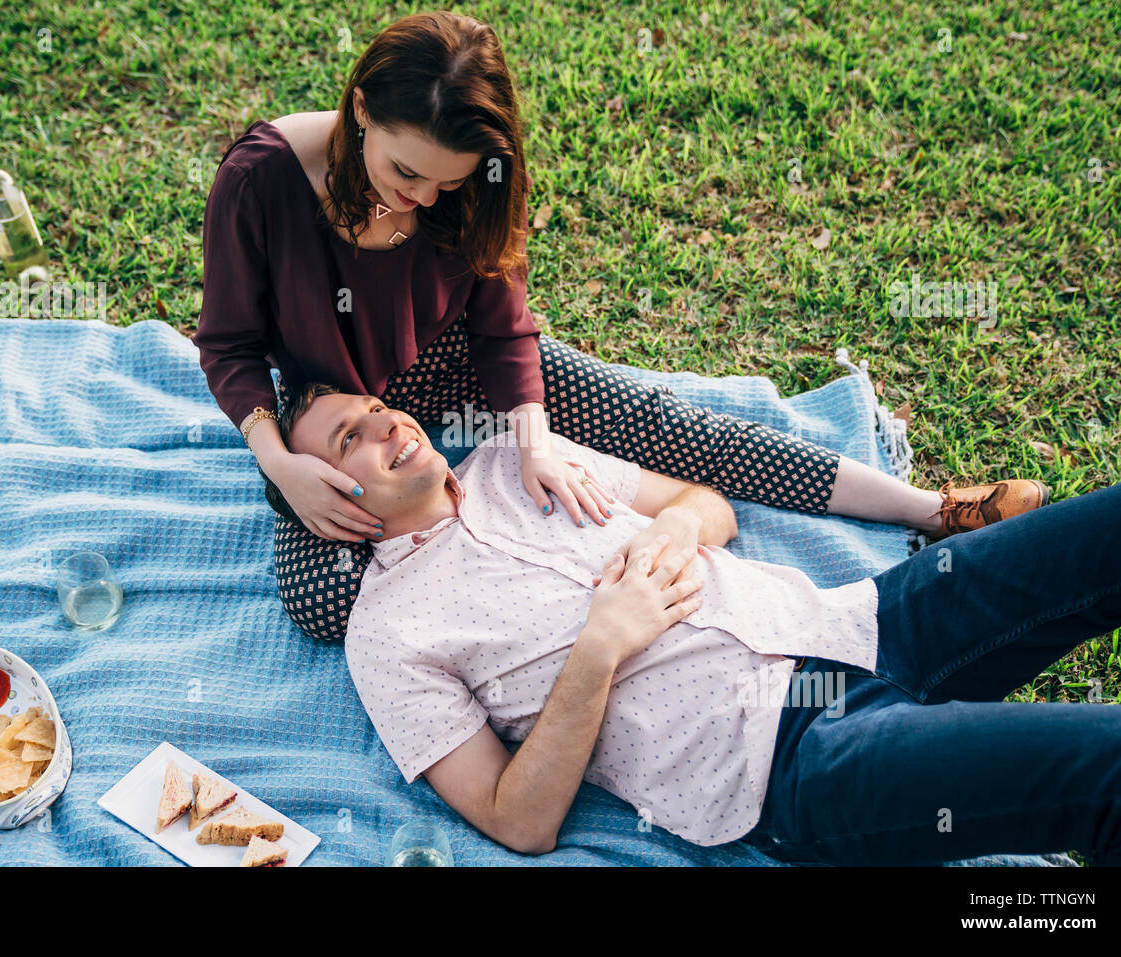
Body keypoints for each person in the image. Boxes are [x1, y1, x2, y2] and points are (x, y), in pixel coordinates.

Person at [192, 10, 1047, 644]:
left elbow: (503, 323)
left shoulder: (476, 181)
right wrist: (284, 463)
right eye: (406, 172)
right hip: (330, 409)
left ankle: (934, 508)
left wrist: (530, 436)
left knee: (663, 424)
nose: (421, 200)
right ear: (361, 110)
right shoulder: (263, 181)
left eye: (444, 185)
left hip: (457, 363)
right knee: (321, 604)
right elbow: (229, 347)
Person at [277, 382, 1121, 865]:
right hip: (796, 762)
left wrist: (674, 527)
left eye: (372, 405)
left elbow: (704, 503)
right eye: (349, 437)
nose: (384, 422)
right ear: (325, 497)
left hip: (866, 618)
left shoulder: (514, 456)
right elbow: (517, 820)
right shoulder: (386, 636)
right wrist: (600, 645)